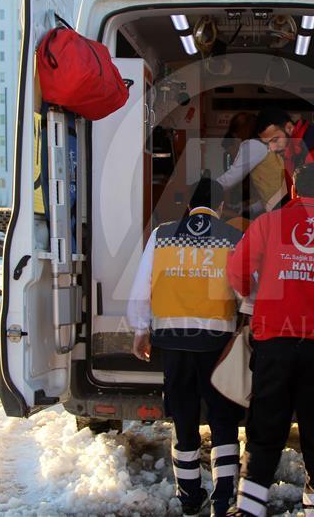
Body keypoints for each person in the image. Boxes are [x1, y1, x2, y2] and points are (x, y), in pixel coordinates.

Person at [227, 163, 314, 517]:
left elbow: (236, 270)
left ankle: (249, 509)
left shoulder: (269, 223)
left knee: (265, 427)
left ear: (295, 190)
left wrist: (255, 294)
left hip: (275, 346)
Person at [127, 178, 245, 516]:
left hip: (173, 343)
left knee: (184, 420)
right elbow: (244, 288)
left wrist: (140, 330)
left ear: (188, 205)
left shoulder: (163, 234)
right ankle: (223, 498)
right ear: (221, 207)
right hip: (216, 343)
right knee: (223, 419)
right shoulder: (233, 236)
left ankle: (190, 498)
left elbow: (143, 283)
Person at [217, 112, 287, 217]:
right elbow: (273, 191)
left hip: (280, 206)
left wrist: (207, 188)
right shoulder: (265, 145)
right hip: (285, 202)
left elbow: (231, 178)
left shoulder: (253, 145)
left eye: (235, 135)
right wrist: (251, 208)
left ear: (240, 132)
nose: (236, 139)